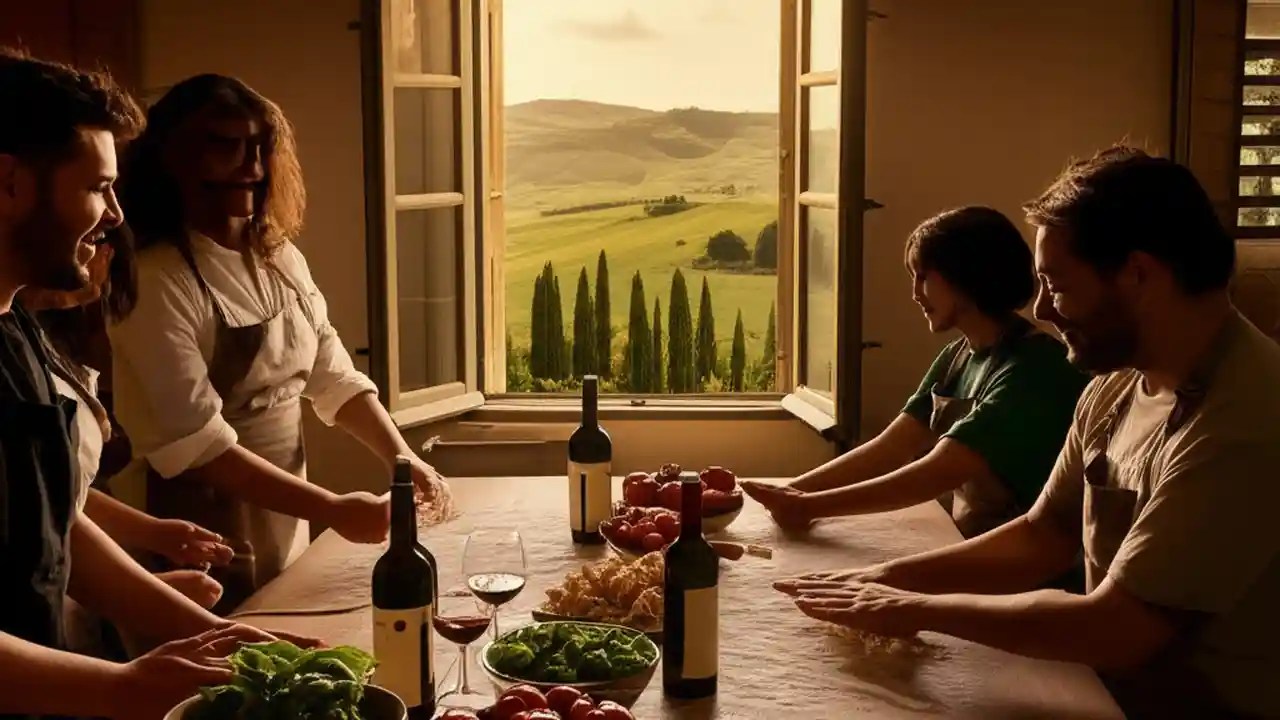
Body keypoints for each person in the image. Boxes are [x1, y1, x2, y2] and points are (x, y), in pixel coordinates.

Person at [774, 146, 1280, 719]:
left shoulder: (1245, 419)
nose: (1041, 309)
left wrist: (911, 607)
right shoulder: (1114, 388)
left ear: (1138, 275)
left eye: (1056, 286)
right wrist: (887, 579)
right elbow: (1044, 534)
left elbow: (1119, 628)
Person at [0, 47, 312, 720]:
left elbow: (57, 524)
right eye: (97, 187)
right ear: (9, 183)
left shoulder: (13, 326)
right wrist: (118, 686)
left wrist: (220, 636)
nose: (116, 214)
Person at [108, 73, 455, 612]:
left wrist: (404, 461)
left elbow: (334, 378)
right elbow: (196, 445)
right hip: (190, 527)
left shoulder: (279, 259)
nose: (250, 166)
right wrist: (333, 508)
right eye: (225, 146)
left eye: (259, 147)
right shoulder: (156, 279)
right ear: (173, 160)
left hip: (283, 514)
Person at [744, 207, 1088, 538]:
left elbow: (937, 472)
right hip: (969, 542)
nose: (914, 294)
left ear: (965, 275)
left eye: (923, 277)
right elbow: (893, 447)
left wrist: (808, 506)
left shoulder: (1035, 370)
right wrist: (788, 493)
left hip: (1023, 561)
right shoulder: (957, 356)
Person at [20, 233, 232, 643]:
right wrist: (146, 596)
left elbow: (59, 493)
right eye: (95, 238)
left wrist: (153, 534)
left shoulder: (46, 346)